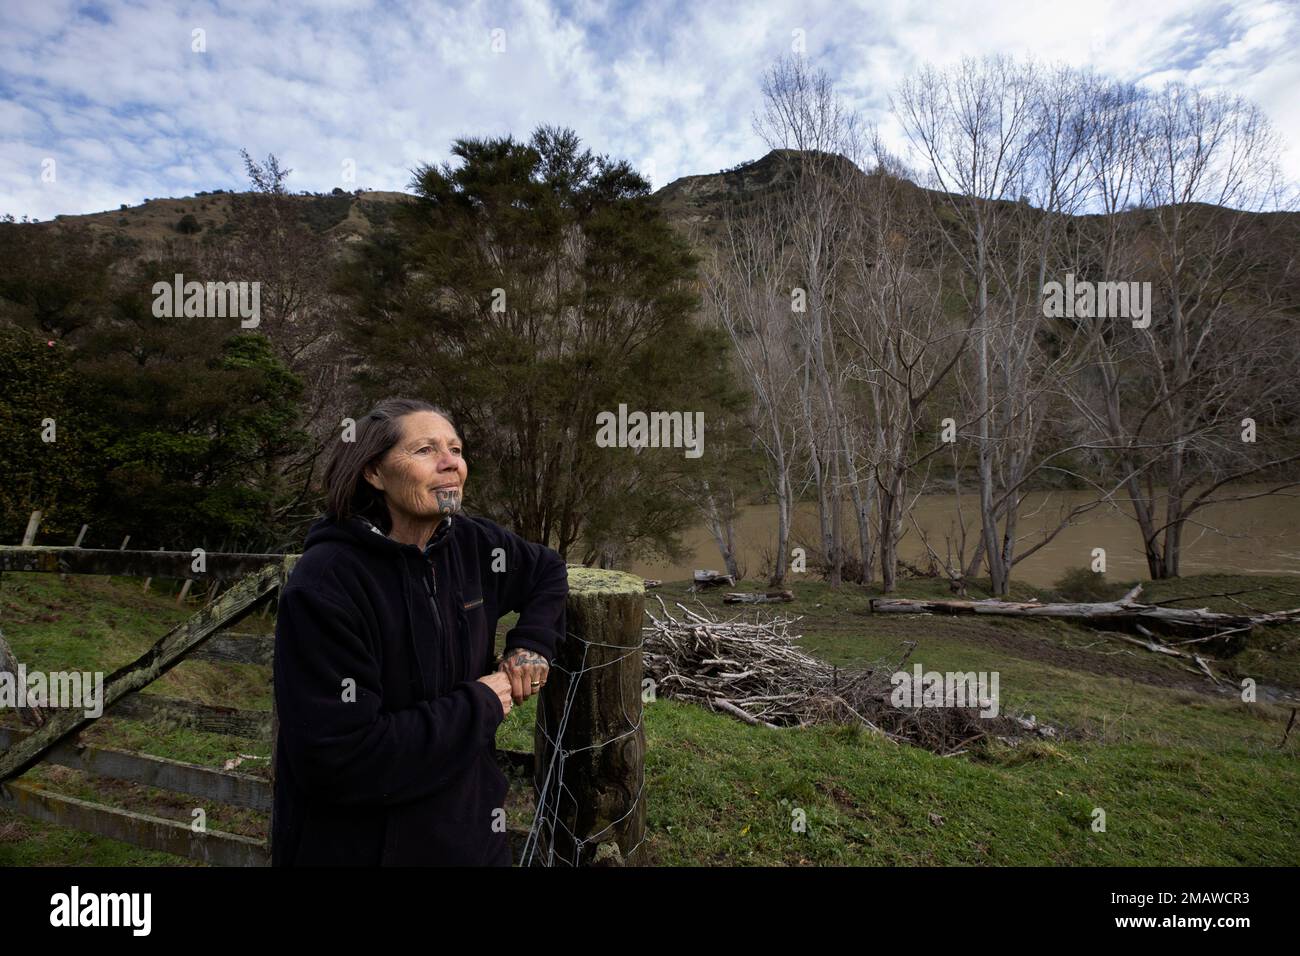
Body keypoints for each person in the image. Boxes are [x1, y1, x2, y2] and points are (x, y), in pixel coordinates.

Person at [271, 397, 568, 865]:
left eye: (455, 448)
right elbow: (343, 760)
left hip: (472, 838)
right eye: (426, 451)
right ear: (374, 473)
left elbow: (547, 570)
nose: (452, 463)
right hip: (365, 849)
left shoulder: (470, 543)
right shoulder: (327, 584)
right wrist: (484, 702)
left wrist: (531, 644)